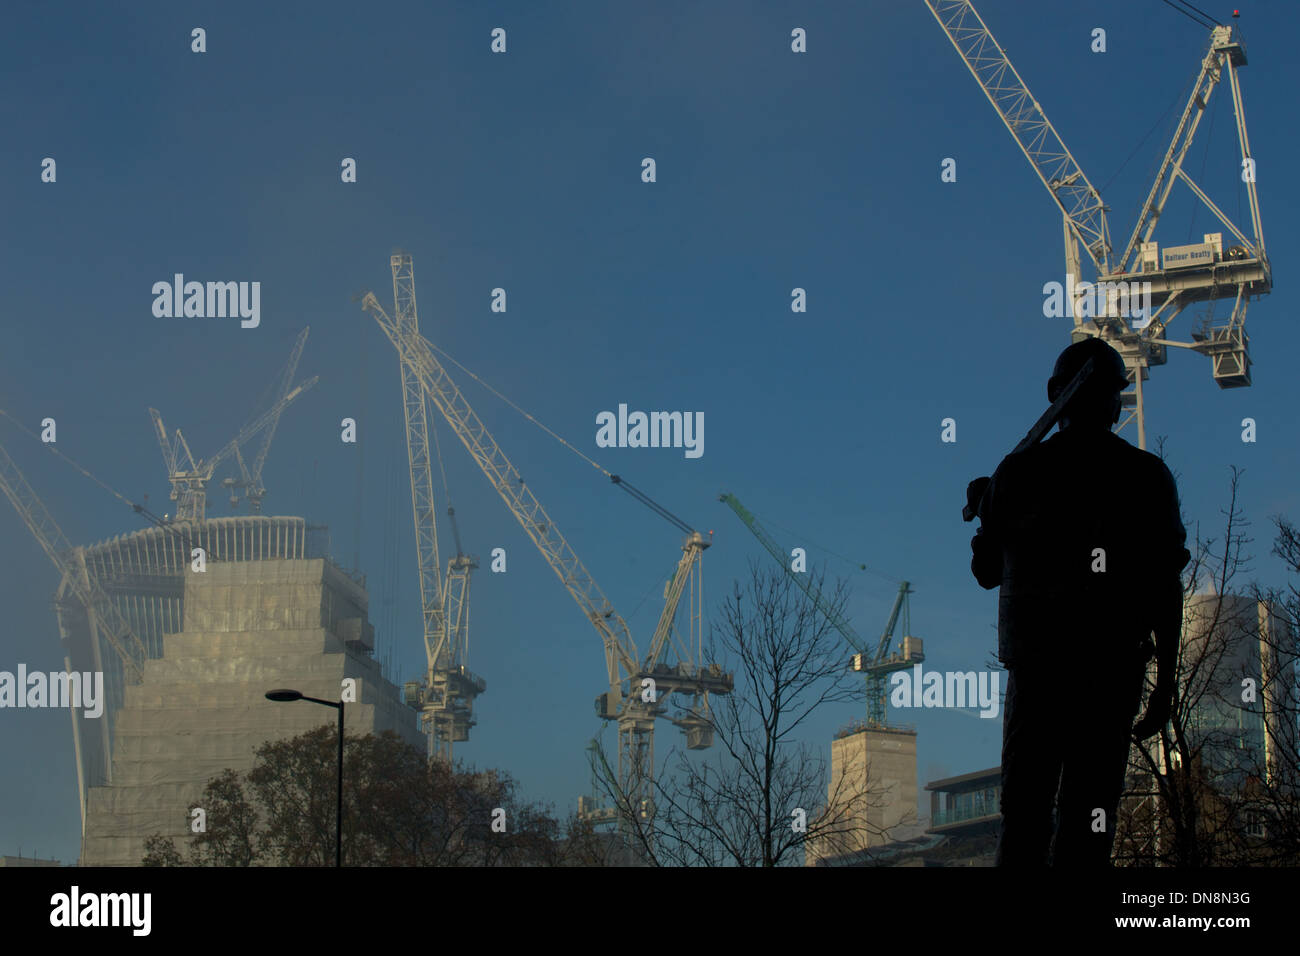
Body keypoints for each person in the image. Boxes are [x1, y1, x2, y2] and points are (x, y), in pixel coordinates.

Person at [969, 337, 1190, 866]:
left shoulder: (1019, 475)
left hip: (1041, 669)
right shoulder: (1145, 477)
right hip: (1109, 672)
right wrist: (1166, 679)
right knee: (1090, 819)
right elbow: (1165, 587)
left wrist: (987, 516)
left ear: (1056, 395)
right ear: (1114, 402)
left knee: (1025, 816)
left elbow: (984, 572)